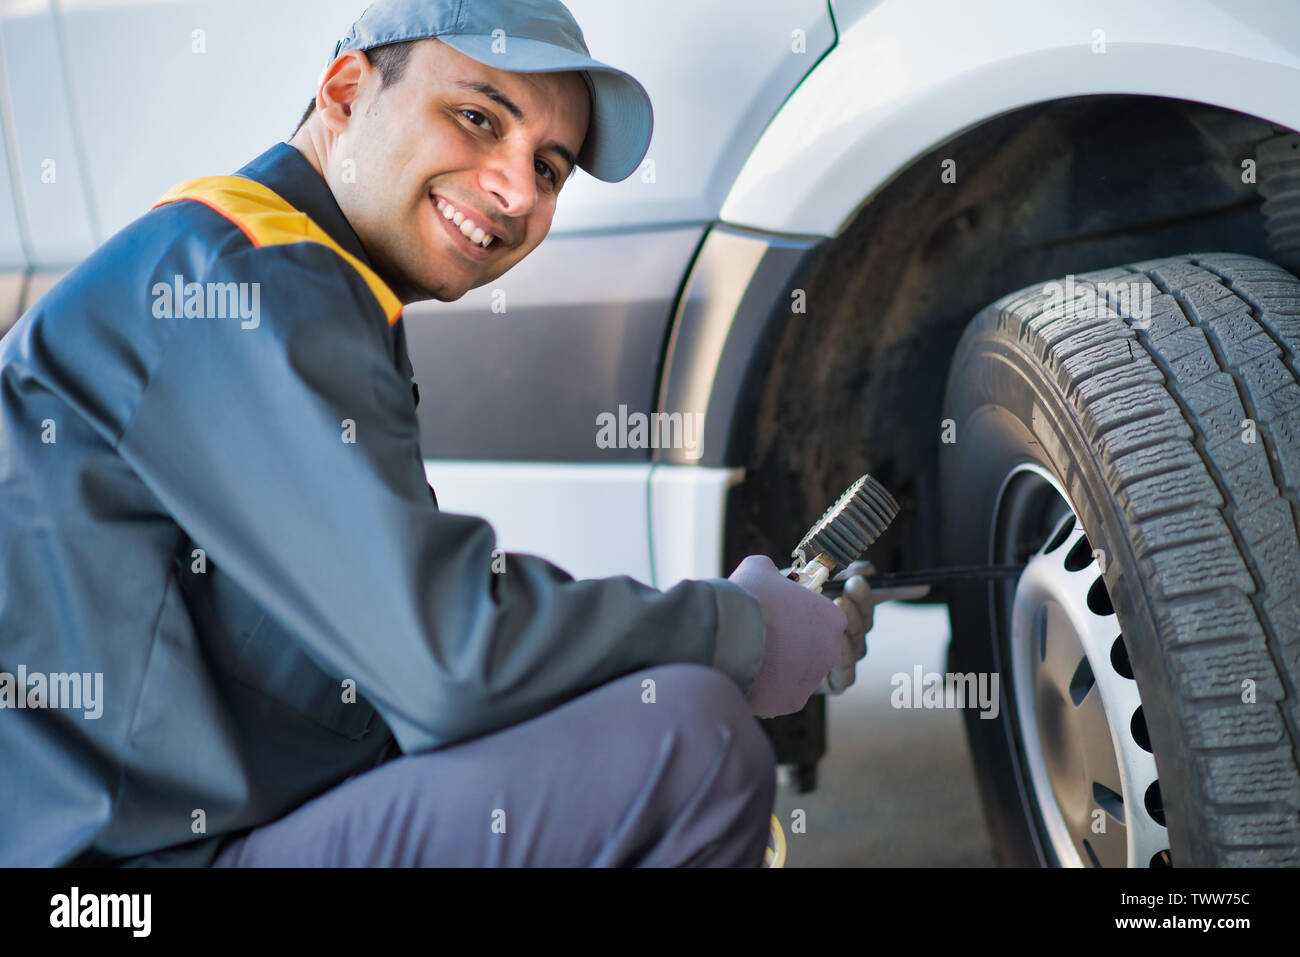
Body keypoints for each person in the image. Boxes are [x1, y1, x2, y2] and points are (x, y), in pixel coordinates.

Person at [0, 0, 900, 867]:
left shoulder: (280, 274)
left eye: (549, 168)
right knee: (690, 750)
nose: (515, 188)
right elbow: (447, 660)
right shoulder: (248, 278)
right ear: (346, 91)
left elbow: (412, 643)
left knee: (652, 710)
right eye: (477, 117)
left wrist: (725, 629)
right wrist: (736, 629)